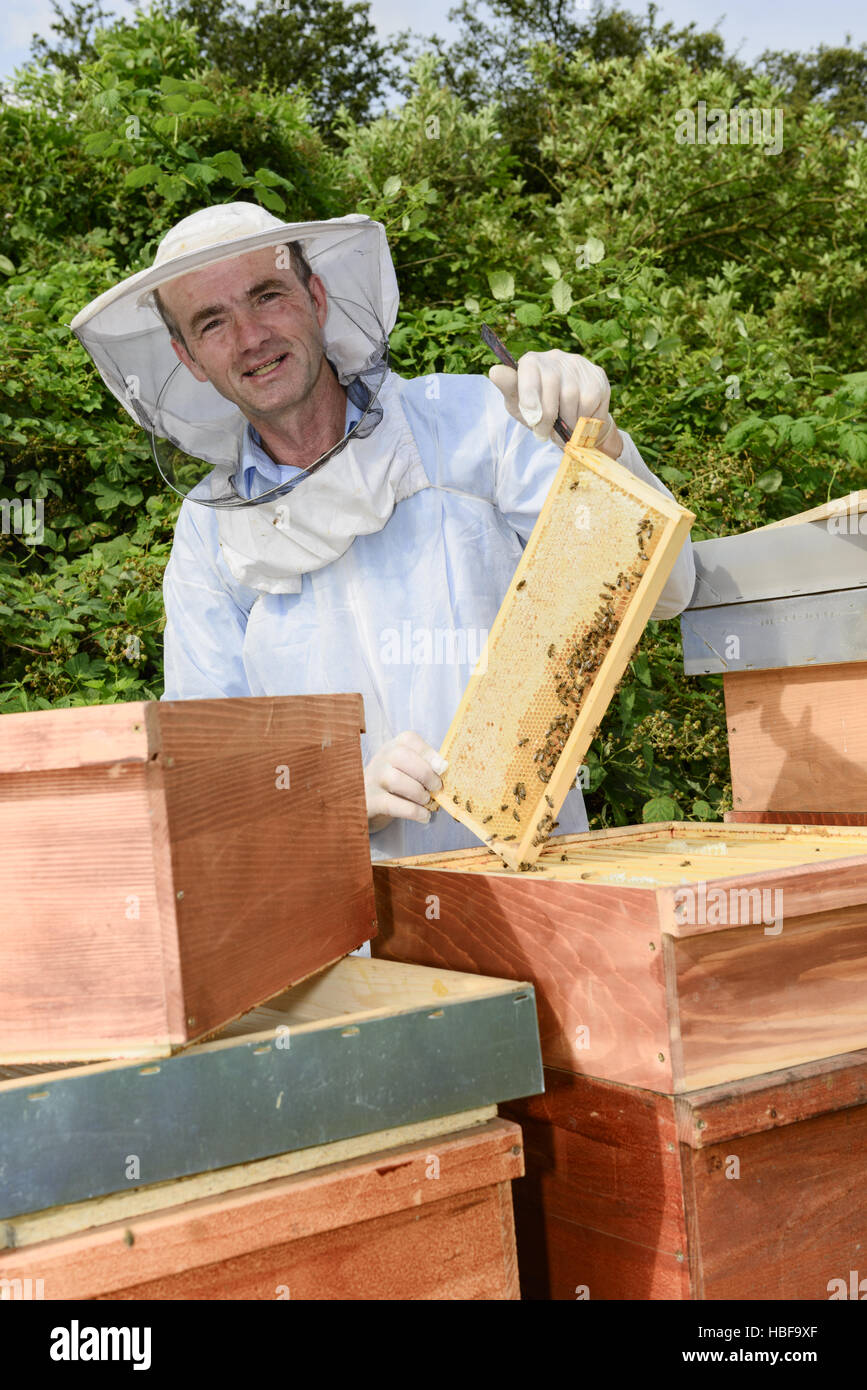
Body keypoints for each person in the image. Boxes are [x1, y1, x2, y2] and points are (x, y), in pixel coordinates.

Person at [72, 202, 695, 862]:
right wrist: (337, 797)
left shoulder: (473, 422)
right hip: (339, 928)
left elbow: (664, 591)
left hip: (533, 886)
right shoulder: (207, 536)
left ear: (315, 296)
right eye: (211, 322)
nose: (249, 335)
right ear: (189, 356)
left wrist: (598, 443)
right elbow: (205, 776)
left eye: (267, 294)